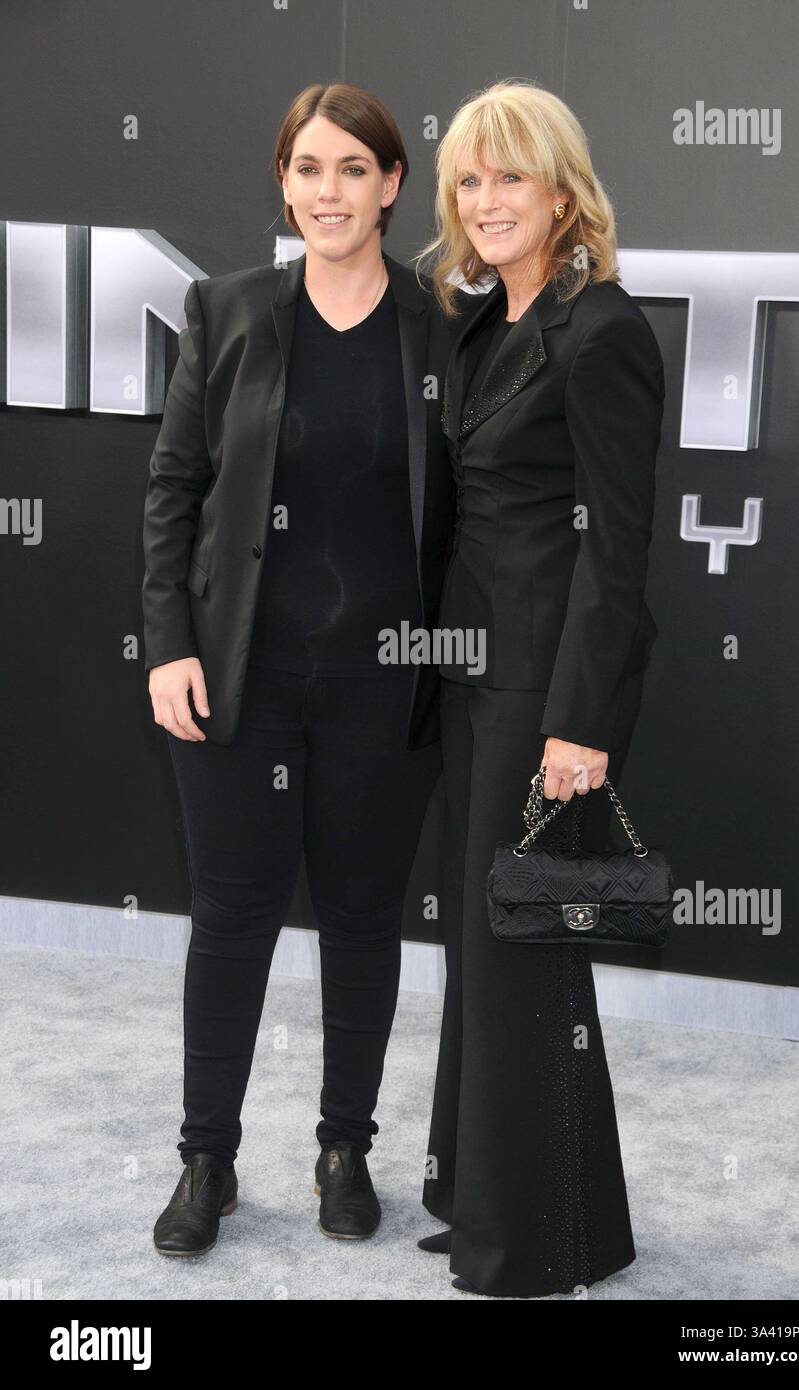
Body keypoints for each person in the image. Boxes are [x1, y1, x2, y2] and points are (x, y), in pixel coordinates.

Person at [141, 83, 454, 1256]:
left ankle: (344, 1148)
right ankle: (205, 1161)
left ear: (389, 186)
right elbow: (173, 491)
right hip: (238, 680)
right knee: (232, 913)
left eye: (352, 169)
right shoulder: (223, 311)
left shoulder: (442, 331)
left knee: (366, 919)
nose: (329, 191)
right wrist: (170, 641)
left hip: (387, 687)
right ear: (283, 181)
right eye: (307, 168)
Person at [415, 79, 665, 1297]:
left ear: (562, 190)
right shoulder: (480, 324)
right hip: (467, 680)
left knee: (520, 946)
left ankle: (527, 1244)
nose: (484, 199)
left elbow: (617, 551)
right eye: (467, 178)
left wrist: (581, 724)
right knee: (486, 938)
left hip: (537, 693)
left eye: (509, 176)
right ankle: (484, 1198)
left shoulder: (602, 329)